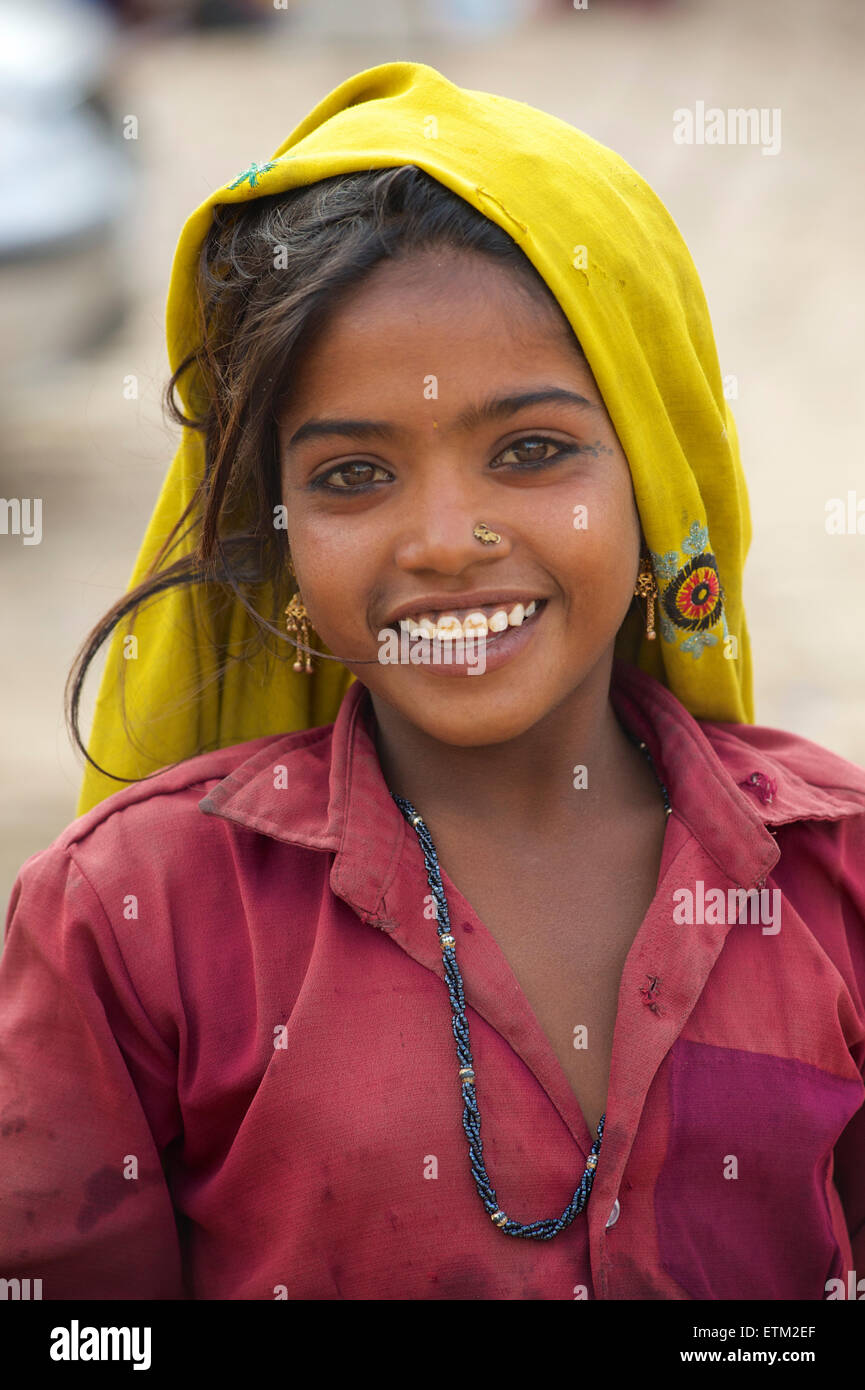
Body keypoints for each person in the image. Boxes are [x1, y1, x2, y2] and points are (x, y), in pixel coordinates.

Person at [1, 60, 864, 1302]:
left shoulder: (828, 874)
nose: (445, 540)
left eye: (531, 451)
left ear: (660, 487)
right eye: (354, 475)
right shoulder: (133, 918)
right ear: (274, 526)